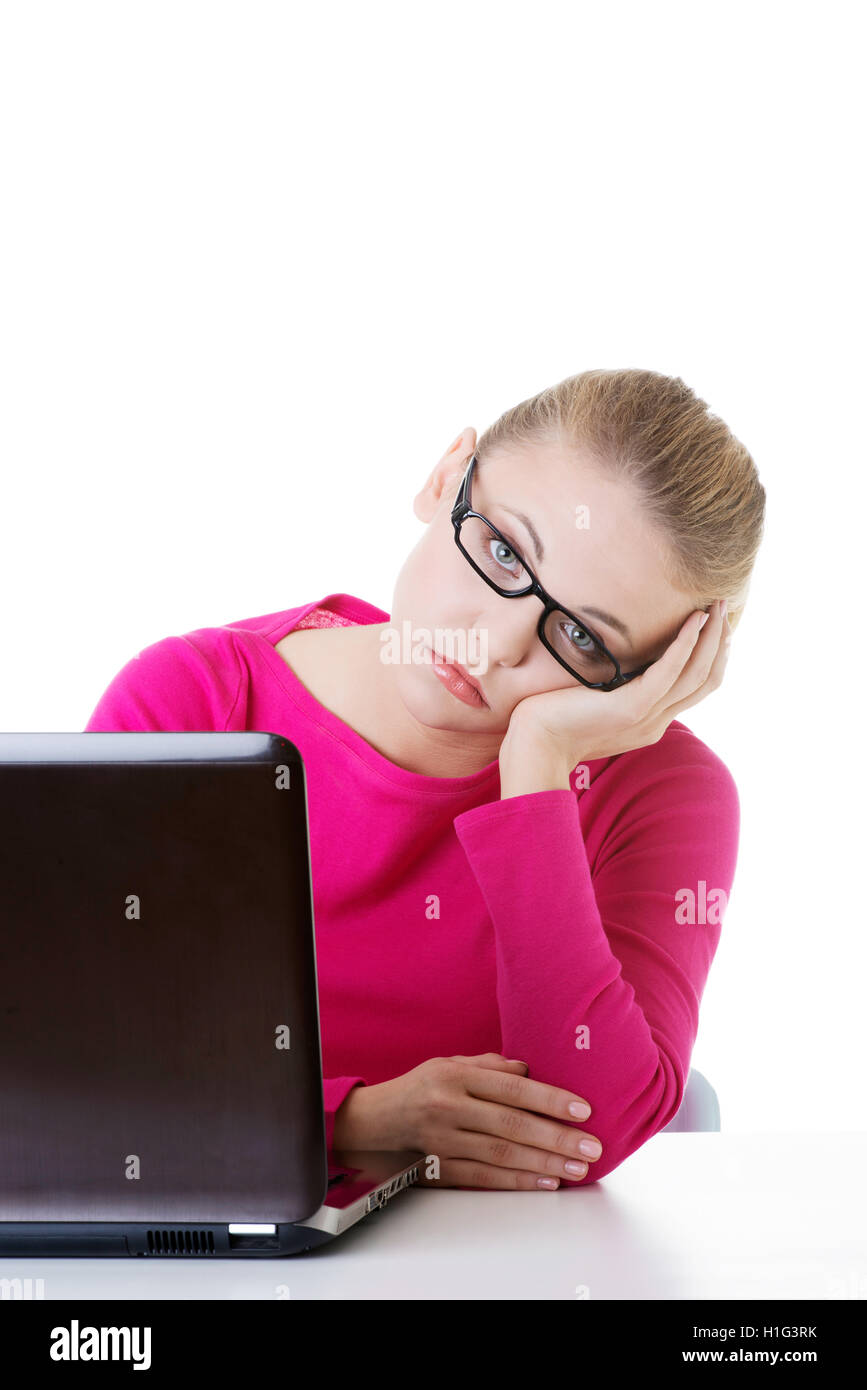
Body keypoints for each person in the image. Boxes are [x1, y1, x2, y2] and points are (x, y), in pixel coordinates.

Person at [85, 367, 765, 1191]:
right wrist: (355, 1121)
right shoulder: (197, 700)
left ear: (650, 677)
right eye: (504, 551)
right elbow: (73, 1064)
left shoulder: (662, 791)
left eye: (582, 640)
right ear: (446, 479)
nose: (498, 645)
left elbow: (589, 1134)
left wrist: (539, 772)